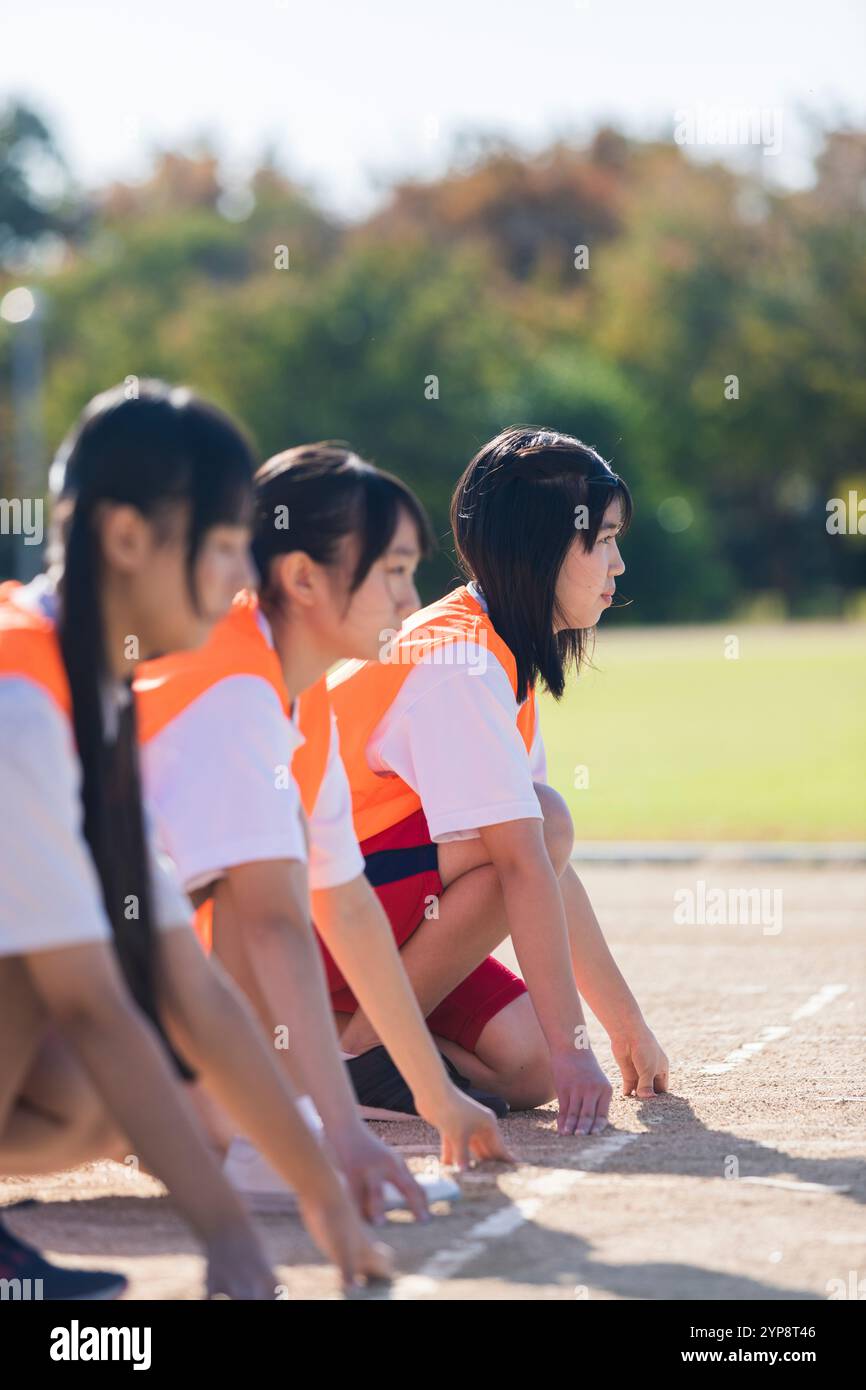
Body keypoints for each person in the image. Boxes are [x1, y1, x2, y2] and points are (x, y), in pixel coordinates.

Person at [0, 383, 390, 1298]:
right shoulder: (22, 703)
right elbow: (96, 1003)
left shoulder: (92, 686)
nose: (237, 580)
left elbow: (187, 980)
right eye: (219, 548)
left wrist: (323, 1195)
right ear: (128, 538)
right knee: (50, 977)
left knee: (96, 1074)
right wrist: (228, 1237)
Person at [135, 443, 511, 1217]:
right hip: (51, 1016)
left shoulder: (297, 696)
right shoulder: (235, 693)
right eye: (393, 572)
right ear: (303, 577)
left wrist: (435, 1096)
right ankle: (256, 1141)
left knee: (265, 889)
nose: (413, 602)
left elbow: (345, 904)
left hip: (89, 996)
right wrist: (340, 1138)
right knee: (255, 895)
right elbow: (271, 924)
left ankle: (247, 1128)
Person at [328, 426, 670, 1137]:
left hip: (378, 912)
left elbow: (544, 865)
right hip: (318, 920)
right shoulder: (459, 661)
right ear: (540, 548)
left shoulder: (498, 646)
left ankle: (331, 1044)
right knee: (537, 825)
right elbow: (524, 858)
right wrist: (582, 1053)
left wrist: (621, 1026)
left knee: (530, 1068)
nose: (619, 563)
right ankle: (361, 1053)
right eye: (601, 540)